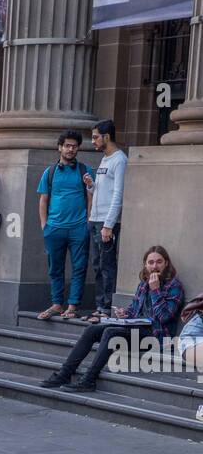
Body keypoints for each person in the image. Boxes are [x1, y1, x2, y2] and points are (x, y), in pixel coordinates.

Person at [40, 245, 183, 393]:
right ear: (145, 265)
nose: (155, 266)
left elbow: (164, 316)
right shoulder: (143, 285)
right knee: (92, 329)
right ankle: (64, 374)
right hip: (137, 330)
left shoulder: (174, 286)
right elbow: (134, 311)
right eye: (151, 262)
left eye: (159, 262)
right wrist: (124, 313)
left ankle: (89, 380)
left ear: (166, 263)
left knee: (110, 332)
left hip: (156, 337)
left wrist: (156, 290)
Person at [37, 130, 91, 321]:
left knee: (79, 267)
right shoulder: (50, 172)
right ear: (60, 147)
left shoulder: (85, 170)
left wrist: (88, 222)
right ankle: (57, 304)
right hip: (54, 228)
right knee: (55, 268)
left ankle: (73, 306)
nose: (70, 149)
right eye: (67, 146)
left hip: (79, 227)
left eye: (74, 146)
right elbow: (43, 199)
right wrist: (45, 225)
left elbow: (91, 196)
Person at [87, 118, 127, 321]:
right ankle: (100, 305)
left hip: (106, 222)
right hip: (95, 219)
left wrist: (109, 225)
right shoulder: (104, 159)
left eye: (95, 137)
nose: (93, 141)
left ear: (107, 137)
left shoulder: (119, 160)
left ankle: (106, 307)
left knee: (107, 264)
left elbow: (118, 195)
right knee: (97, 264)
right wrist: (91, 186)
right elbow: (103, 191)